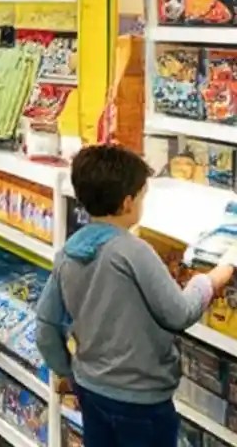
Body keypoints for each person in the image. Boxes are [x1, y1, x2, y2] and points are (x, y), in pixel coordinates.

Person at [37, 144, 237, 446]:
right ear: (128, 203)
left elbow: (46, 325)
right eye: (143, 196)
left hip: (92, 390)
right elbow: (179, 312)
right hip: (142, 400)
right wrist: (213, 278)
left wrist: (67, 371)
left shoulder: (67, 253)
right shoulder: (133, 251)